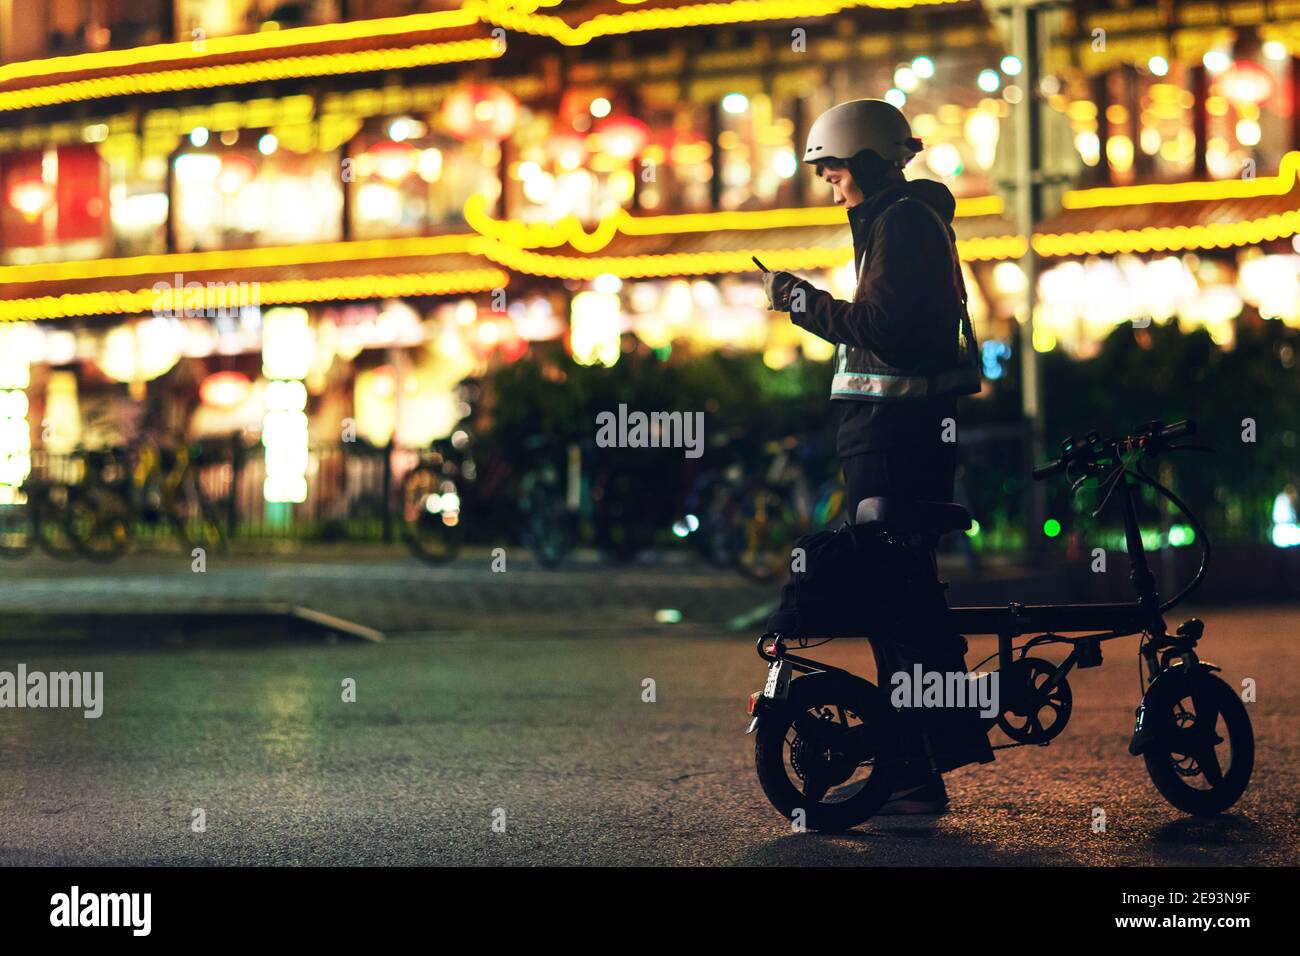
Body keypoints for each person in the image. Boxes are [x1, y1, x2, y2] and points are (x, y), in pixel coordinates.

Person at [762, 98, 985, 814]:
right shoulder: (903, 222)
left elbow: (881, 328)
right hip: (894, 441)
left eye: (833, 173)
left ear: (862, 162)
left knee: (894, 599)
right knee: (898, 600)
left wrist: (803, 301)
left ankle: (922, 761)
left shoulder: (903, 224)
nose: (831, 187)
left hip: (894, 445)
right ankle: (919, 764)